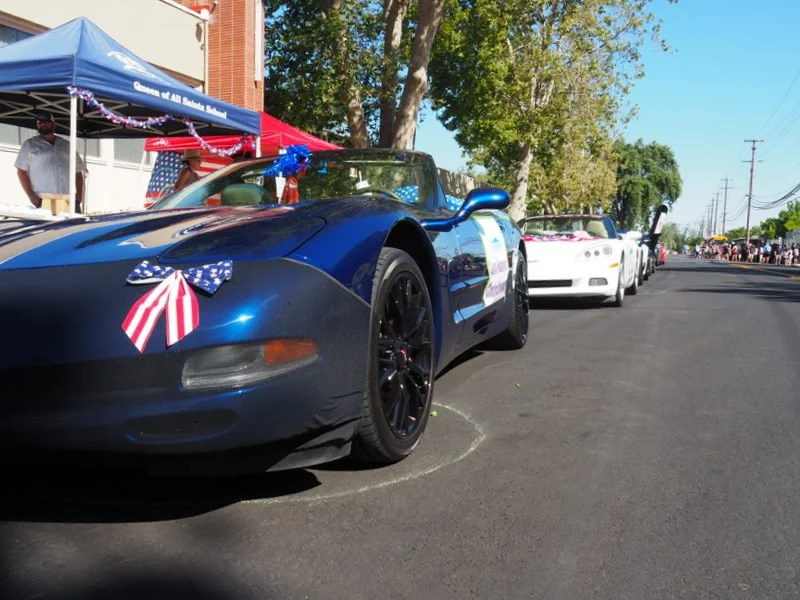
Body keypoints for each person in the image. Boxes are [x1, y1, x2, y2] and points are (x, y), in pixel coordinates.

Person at [15, 110, 86, 212]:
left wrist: (79, 197)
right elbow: (21, 172)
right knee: (49, 228)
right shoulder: (30, 144)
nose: (43, 124)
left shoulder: (66, 145)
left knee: (73, 228)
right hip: (44, 199)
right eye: (40, 122)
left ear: (54, 123)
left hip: (68, 199)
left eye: (46, 121)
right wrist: (32, 197)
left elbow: (78, 172)